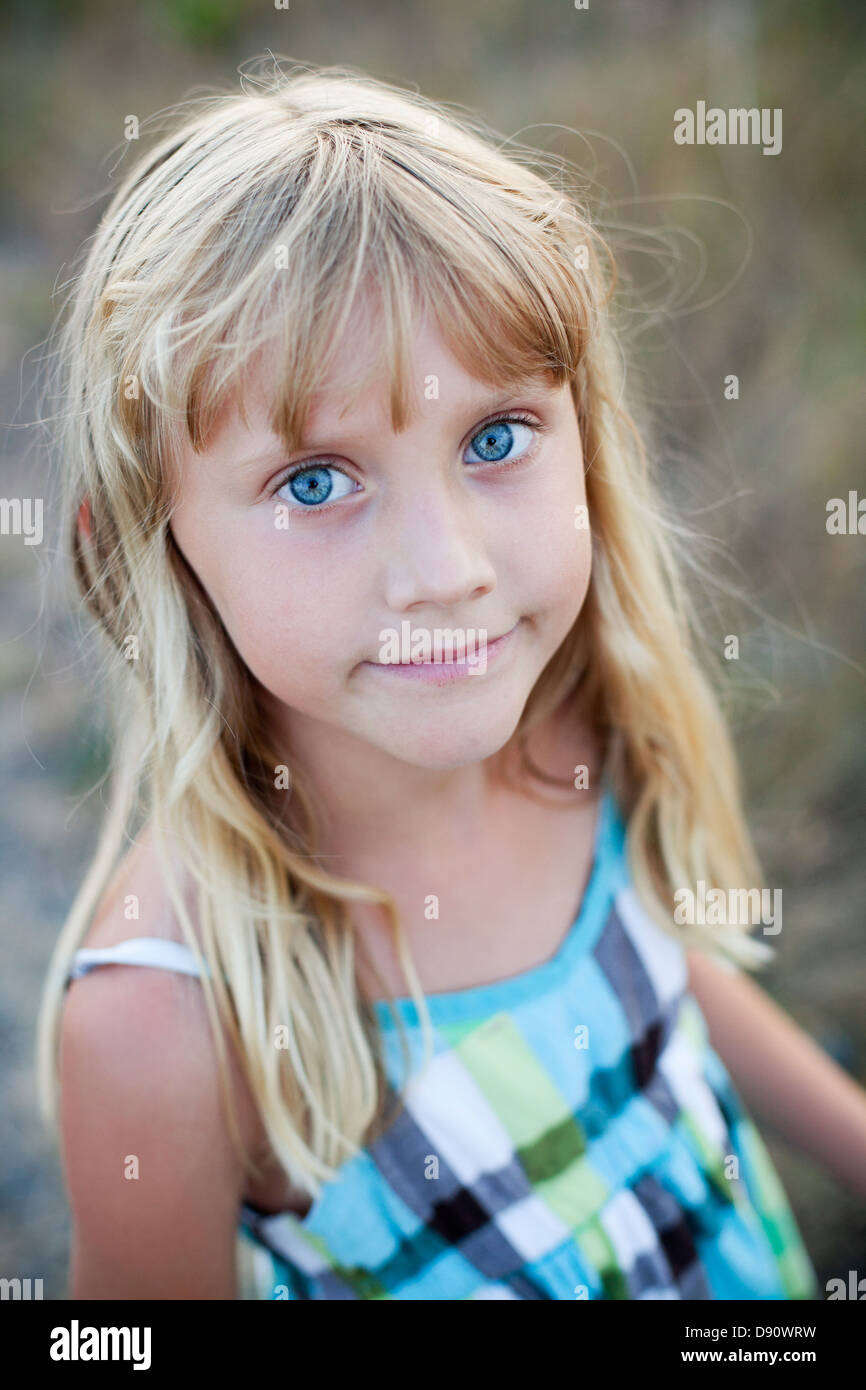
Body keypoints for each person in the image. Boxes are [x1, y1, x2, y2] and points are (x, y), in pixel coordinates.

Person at [35, 56, 866, 1300]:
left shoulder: (570, 727)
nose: (447, 571)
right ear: (148, 547)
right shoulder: (162, 1024)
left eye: (493, 437)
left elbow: (659, 976)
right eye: (315, 480)